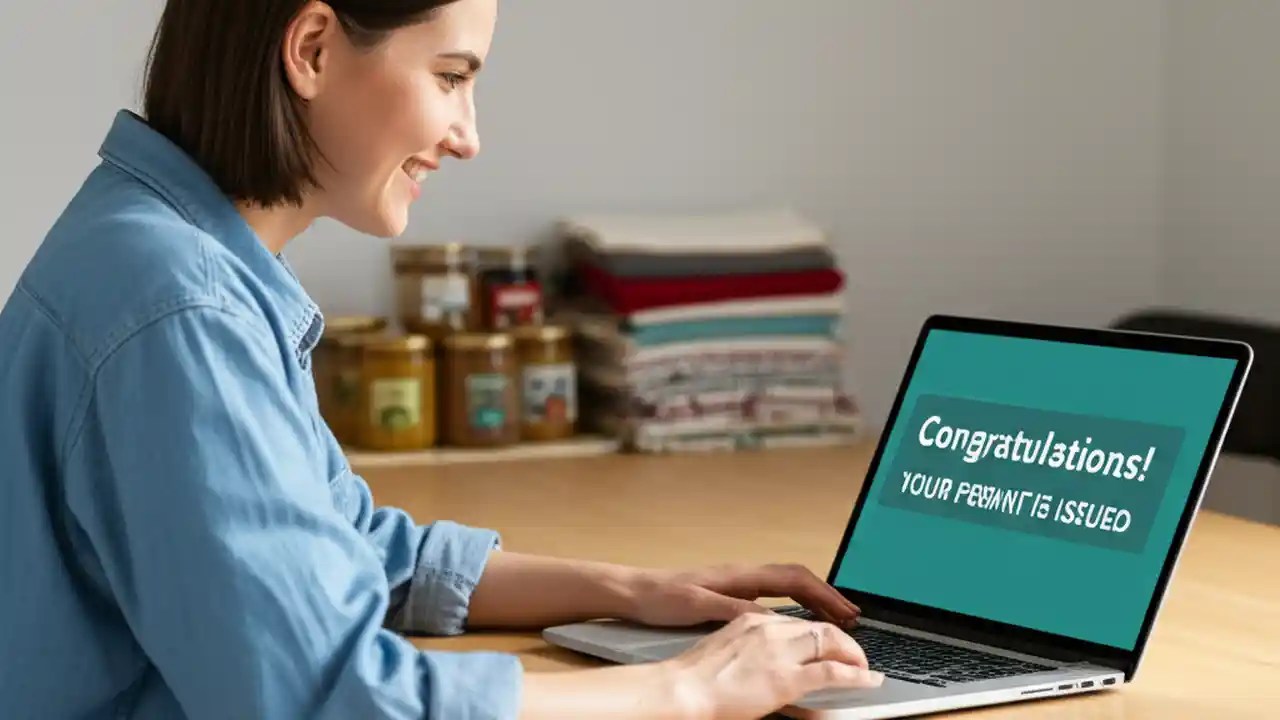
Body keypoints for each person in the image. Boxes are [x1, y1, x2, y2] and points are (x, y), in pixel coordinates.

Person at [0, 1, 883, 718]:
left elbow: (341, 550)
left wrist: (634, 589)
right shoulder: (181, 307)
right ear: (310, 49)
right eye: (451, 77)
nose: (468, 135)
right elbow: (329, 700)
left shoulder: (167, 250)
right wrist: (687, 688)